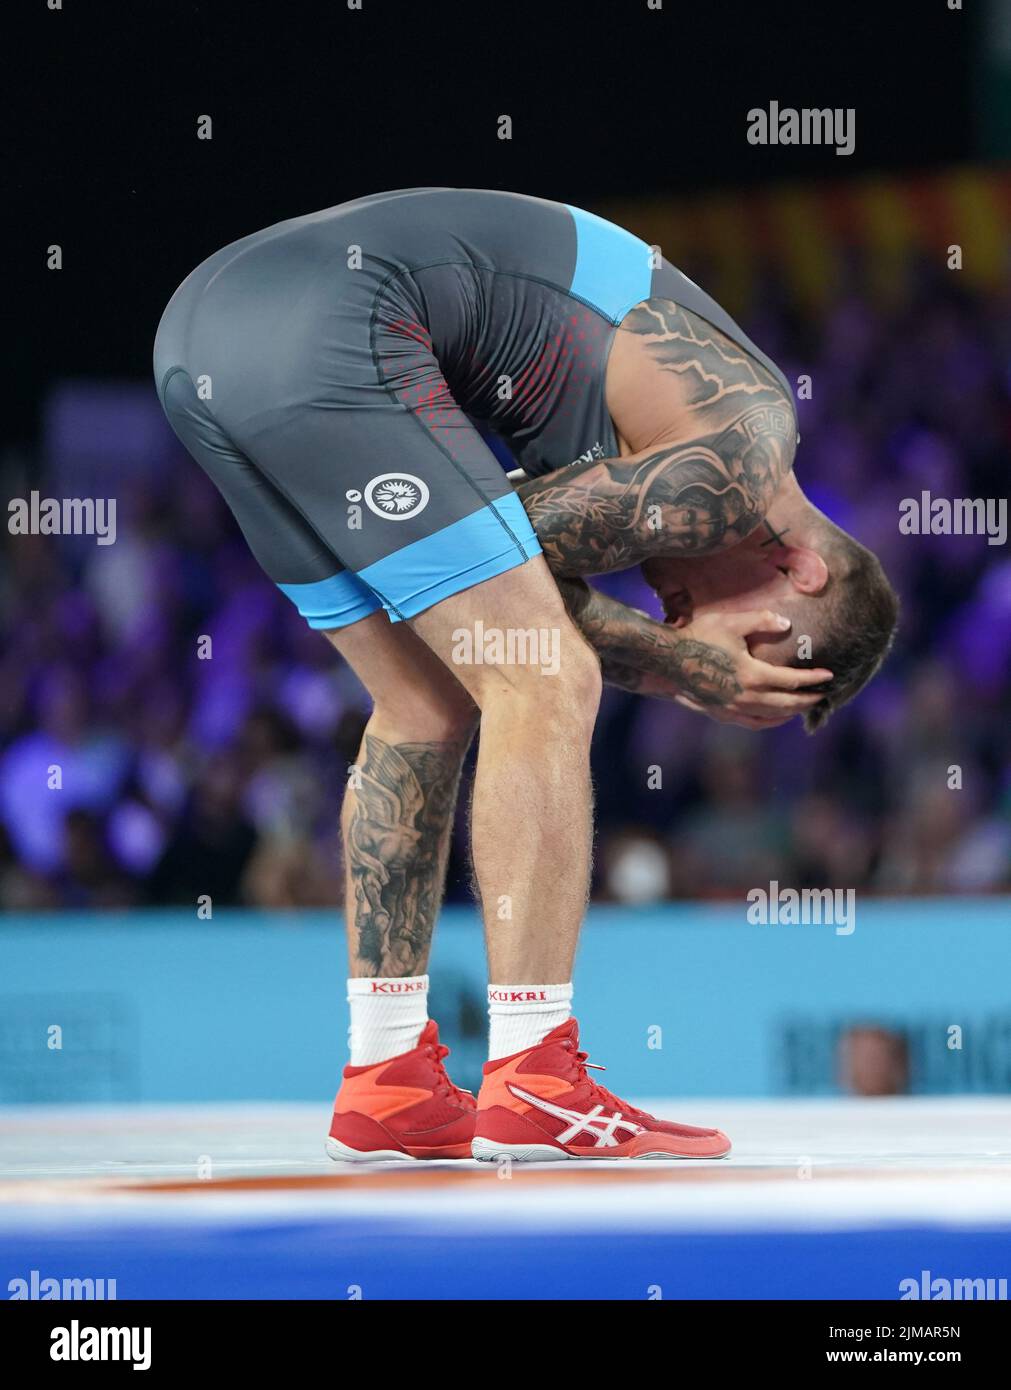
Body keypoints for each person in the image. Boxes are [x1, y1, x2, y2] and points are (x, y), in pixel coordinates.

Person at [154, 188, 897, 1162]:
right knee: (548, 675)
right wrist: (678, 663)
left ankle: (385, 1077)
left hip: (209, 336)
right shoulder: (742, 458)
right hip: (329, 323)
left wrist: (674, 659)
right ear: (802, 571)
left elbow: (495, 563)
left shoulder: (690, 454)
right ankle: (537, 1072)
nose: (681, 620)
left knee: (424, 699)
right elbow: (515, 554)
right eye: (739, 637)